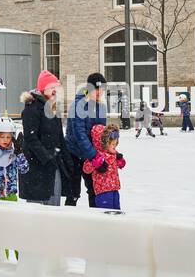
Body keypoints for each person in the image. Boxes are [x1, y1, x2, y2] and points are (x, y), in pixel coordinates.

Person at [20, 71, 69, 206]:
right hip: (36, 165)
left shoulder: (53, 107)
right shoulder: (32, 108)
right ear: (43, 88)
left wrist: (67, 159)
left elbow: (59, 135)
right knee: (38, 206)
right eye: (51, 87)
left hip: (53, 163)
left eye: (56, 87)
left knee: (54, 203)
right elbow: (31, 138)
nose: (55, 90)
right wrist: (46, 158)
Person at [65, 73, 108, 207]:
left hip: (90, 155)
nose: (100, 92)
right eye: (97, 89)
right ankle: (68, 219)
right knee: (73, 192)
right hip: (75, 154)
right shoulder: (79, 105)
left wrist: (110, 151)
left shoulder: (100, 106)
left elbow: (101, 133)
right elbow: (79, 134)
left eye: (102, 90)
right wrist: (93, 155)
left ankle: (94, 220)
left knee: (94, 189)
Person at [82, 124, 125, 210]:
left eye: (115, 144)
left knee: (116, 211)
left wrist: (120, 161)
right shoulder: (97, 156)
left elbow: (121, 163)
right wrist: (94, 163)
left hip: (114, 189)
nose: (114, 146)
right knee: (106, 213)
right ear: (103, 143)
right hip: (102, 191)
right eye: (112, 144)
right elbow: (86, 169)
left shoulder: (113, 154)